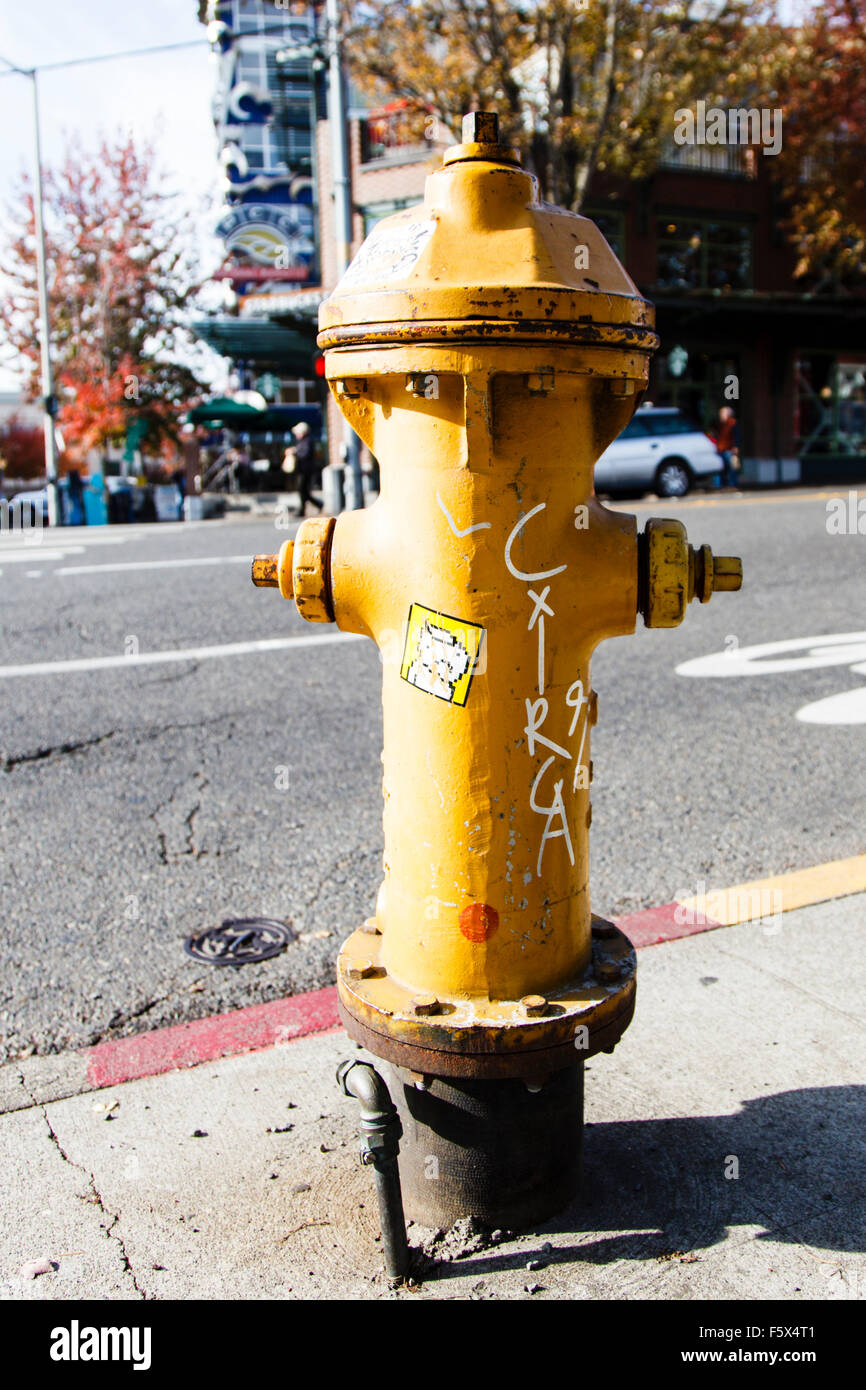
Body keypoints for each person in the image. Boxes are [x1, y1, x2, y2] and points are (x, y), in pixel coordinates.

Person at [291, 422, 321, 517]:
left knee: (302, 490)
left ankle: (304, 509)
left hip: (306, 470)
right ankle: (307, 508)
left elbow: (305, 454)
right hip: (303, 470)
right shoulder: (302, 441)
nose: (296, 434)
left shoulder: (308, 441)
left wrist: (295, 452)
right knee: (303, 491)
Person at [716, 406, 741, 489]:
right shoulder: (721, 425)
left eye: (722, 414)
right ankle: (720, 485)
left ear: (728, 415)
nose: (721, 415)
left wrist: (736, 446)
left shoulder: (732, 423)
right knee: (720, 468)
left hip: (729, 449)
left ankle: (733, 484)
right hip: (720, 449)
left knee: (732, 468)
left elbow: (736, 436)